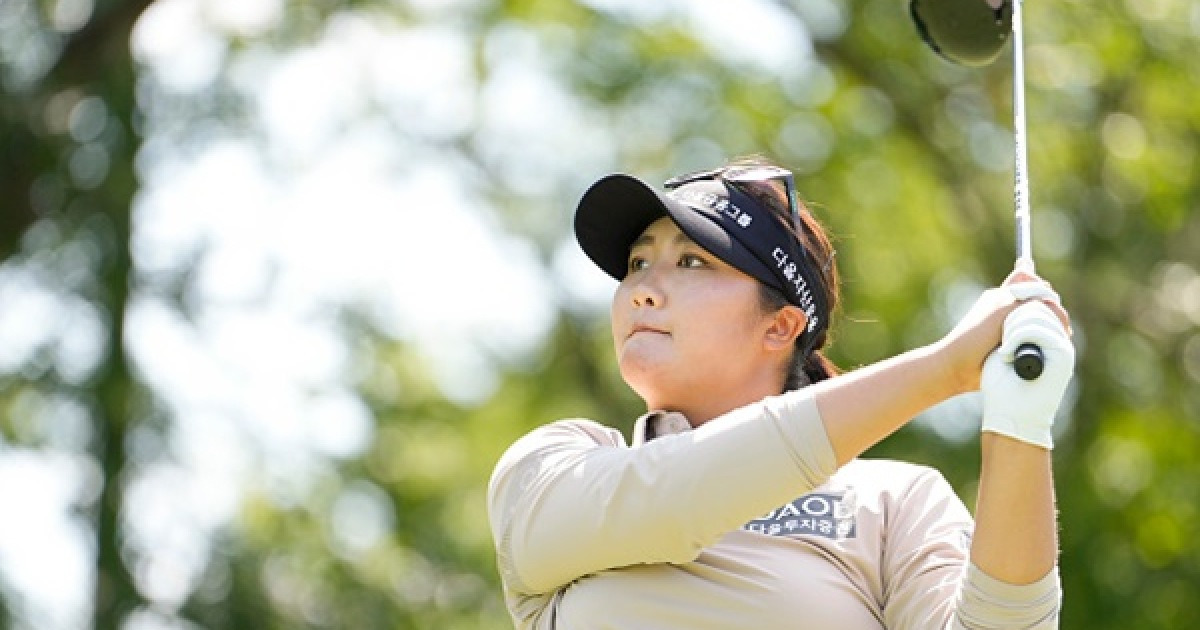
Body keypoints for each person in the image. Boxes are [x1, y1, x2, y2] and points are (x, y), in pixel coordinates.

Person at [487, 156, 1074, 629]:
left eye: (691, 261)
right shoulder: (554, 464)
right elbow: (671, 496)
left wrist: (1021, 416)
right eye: (638, 262)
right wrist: (944, 369)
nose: (643, 289)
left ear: (780, 326)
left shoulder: (891, 501)